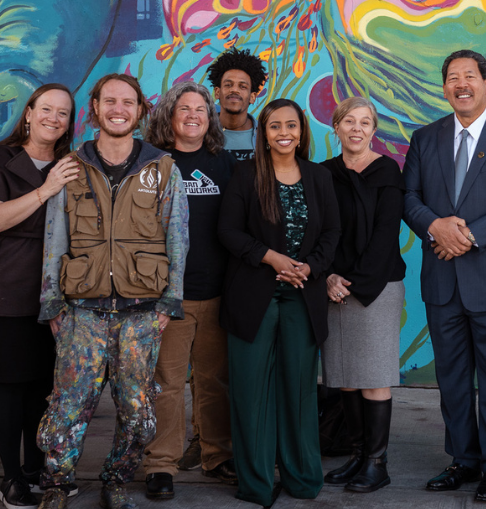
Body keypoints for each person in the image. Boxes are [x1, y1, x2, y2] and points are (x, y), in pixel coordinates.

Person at [35, 73, 189, 509]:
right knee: (67, 409)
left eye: (128, 102)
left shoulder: (163, 169)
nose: (118, 109)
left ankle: (117, 480)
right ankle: (58, 486)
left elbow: (178, 237)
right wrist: (52, 304)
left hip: (142, 312)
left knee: (137, 413)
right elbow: (54, 237)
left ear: (140, 110)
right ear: (95, 109)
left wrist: (168, 304)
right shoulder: (71, 167)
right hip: (81, 311)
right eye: (110, 101)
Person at [402, 49, 486, 503]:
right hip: (443, 284)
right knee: (453, 379)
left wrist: (466, 235)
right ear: (444, 87)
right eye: (451, 77)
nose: (460, 84)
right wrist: (434, 226)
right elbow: (409, 199)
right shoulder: (425, 139)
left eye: (469, 76)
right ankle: (463, 459)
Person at [218, 98, 340, 507]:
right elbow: (228, 231)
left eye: (291, 125)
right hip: (254, 295)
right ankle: (255, 482)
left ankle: (302, 477)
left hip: (302, 298)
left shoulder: (319, 177)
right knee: (251, 393)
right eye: (275, 126)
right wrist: (271, 258)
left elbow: (332, 235)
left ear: (302, 131)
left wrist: (308, 268)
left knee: (299, 391)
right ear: (264, 134)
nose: (284, 132)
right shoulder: (246, 174)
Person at [0, 84, 80, 508]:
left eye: (63, 113)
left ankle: (37, 470)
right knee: (13, 385)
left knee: (44, 388)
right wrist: (45, 190)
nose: (54, 118)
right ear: (29, 112)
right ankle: (12, 477)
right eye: (46, 109)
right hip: (10, 288)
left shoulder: (72, 163)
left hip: (58, 293)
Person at [141, 81, 237, 499]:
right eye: (185, 108)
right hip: (169, 297)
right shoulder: (152, 162)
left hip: (216, 292)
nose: (193, 115)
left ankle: (216, 455)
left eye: (201, 109)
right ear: (170, 115)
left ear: (209, 118)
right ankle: (161, 464)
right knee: (166, 383)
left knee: (215, 380)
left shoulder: (224, 164)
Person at [319, 96, 406, 493]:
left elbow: (387, 236)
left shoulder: (387, 170)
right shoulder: (322, 174)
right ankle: (356, 455)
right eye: (348, 121)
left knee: (373, 377)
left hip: (377, 286)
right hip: (333, 288)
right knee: (345, 379)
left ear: (374, 130)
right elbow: (318, 235)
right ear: (335, 127)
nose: (356, 128)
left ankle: (377, 462)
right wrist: (328, 277)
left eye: (365, 122)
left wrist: (353, 283)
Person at [208, 46, 266, 161]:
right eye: (228, 85)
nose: (234, 90)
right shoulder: (201, 132)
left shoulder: (265, 136)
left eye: (242, 86)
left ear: (252, 97)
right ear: (217, 92)